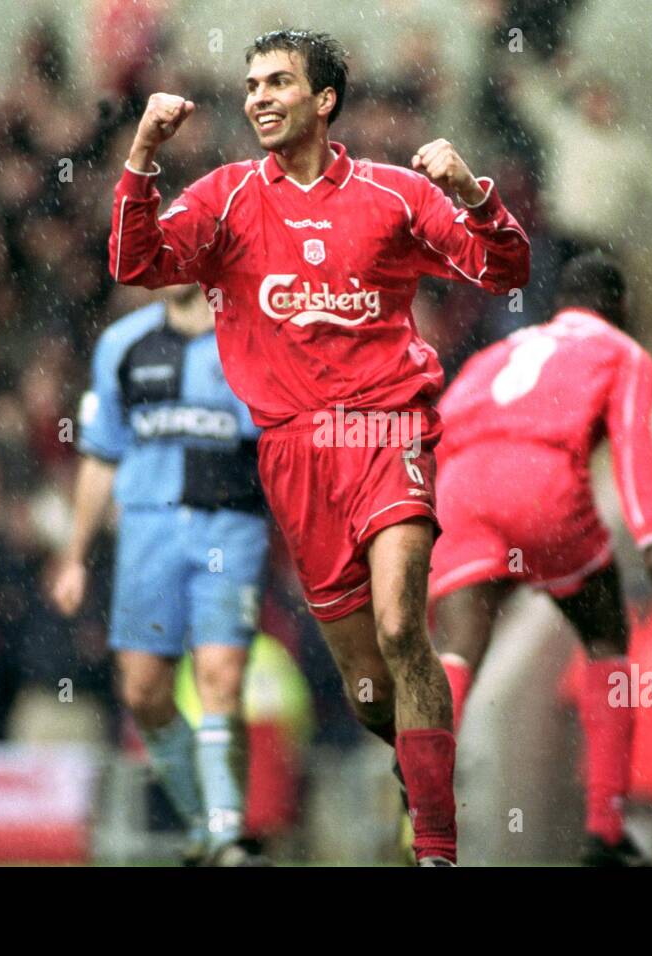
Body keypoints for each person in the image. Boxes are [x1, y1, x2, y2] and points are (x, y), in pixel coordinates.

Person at [107, 29, 530, 865]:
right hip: (294, 455)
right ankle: (422, 759)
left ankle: (437, 851)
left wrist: (473, 195)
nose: (257, 97)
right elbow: (134, 260)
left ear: (323, 100)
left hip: (385, 428)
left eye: (277, 83)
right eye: (251, 84)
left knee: (404, 623)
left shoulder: (396, 195)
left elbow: (504, 270)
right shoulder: (227, 198)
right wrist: (144, 153)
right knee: (372, 688)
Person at [428, 252, 652, 865]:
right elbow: (631, 441)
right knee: (605, 634)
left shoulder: (502, 349)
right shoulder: (622, 352)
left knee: (461, 642)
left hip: (460, 486)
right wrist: (650, 532)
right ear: (620, 308)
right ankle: (604, 829)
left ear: (559, 305)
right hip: (539, 481)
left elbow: (438, 425)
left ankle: (422, 775)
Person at [51, 284, 270, 866]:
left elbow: (279, 446)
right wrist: (74, 554)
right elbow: (101, 454)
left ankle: (226, 833)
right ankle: (203, 821)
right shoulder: (122, 344)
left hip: (230, 528)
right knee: (143, 689)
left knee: (220, 676)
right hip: (148, 532)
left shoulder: (248, 338)